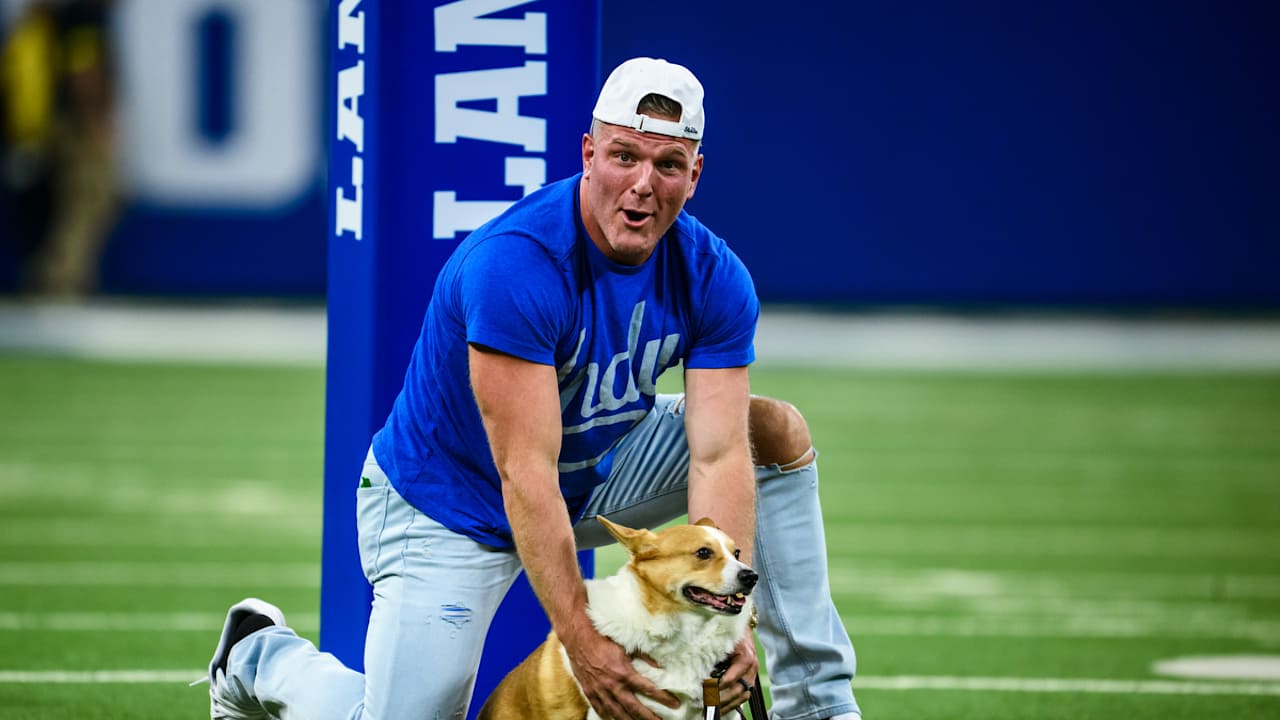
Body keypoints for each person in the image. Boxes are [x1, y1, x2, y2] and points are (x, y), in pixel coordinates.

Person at [205, 57, 862, 720]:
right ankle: (259, 654)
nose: (641, 185)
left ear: (694, 175)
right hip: (450, 503)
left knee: (771, 434)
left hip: (595, 466)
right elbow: (524, 471)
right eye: (624, 156)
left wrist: (727, 623)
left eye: (666, 165)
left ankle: (819, 705)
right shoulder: (517, 264)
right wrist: (582, 640)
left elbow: (717, 456)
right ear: (588, 153)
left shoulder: (713, 275)